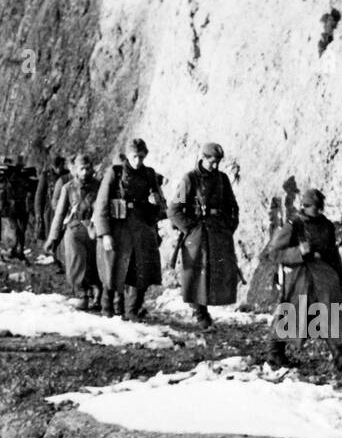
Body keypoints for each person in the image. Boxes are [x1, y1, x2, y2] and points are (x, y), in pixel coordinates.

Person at [267, 187, 342, 372]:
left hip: (323, 274)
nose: (313, 210)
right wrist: (298, 252)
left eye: (316, 206)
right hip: (301, 274)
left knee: (330, 310)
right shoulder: (294, 225)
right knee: (293, 310)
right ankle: (275, 353)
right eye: (309, 206)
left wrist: (340, 278)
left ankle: (339, 354)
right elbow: (274, 252)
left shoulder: (327, 226)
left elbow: (333, 254)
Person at [170, 141, 240, 328]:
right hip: (197, 233)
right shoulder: (189, 179)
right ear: (203, 159)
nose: (215, 166)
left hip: (217, 232)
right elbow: (174, 209)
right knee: (197, 273)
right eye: (212, 162)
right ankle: (200, 313)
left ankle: (205, 310)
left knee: (216, 272)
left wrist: (229, 227)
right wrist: (190, 229)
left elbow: (232, 207)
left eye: (218, 162)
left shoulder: (222, 179)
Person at [95, 138, 167, 318]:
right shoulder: (115, 173)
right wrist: (105, 234)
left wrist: (156, 202)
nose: (138, 161)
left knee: (141, 272)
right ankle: (107, 310)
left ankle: (132, 311)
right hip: (119, 229)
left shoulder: (150, 175)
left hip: (142, 229)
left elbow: (161, 207)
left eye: (141, 157)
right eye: (135, 157)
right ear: (128, 155)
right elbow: (101, 205)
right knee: (112, 271)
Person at [46, 155, 102, 311]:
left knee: (94, 264)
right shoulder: (68, 188)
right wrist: (53, 237)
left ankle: (97, 293)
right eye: (82, 169)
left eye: (88, 168)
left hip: (93, 230)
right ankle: (82, 295)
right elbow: (59, 214)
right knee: (76, 265)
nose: (85, 172)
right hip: (74, 229)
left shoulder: (99, 187)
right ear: (76, 170)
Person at [33, 153, 68, 247]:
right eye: (56, 166)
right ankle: (52, 253)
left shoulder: (67, 175)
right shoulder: (46, 176)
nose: (58, 169)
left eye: (60, 165)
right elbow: (39, 195)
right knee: (50, 231)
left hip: (66, 205)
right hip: (50, 208)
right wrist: (38, 213)